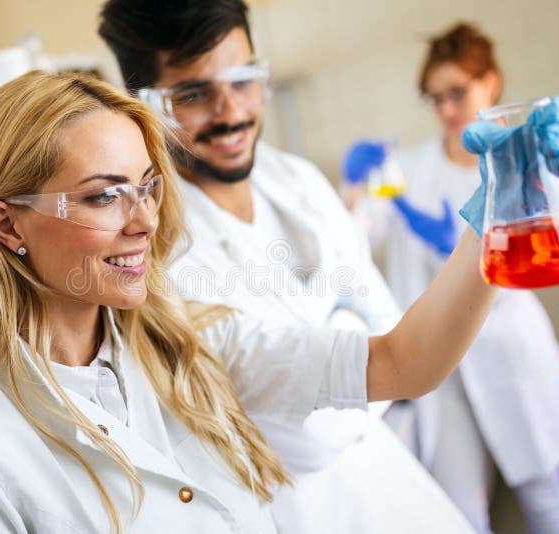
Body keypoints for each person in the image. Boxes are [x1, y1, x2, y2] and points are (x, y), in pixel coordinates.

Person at [0, 67, 559, 531]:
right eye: (103, 195)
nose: (143, 221)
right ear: (7, 224)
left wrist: (499, 212)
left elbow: (404, 361)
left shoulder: (182, 344)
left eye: (147, 186)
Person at [98, 2, 470, 532]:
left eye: (245, 80)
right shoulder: (147, 247)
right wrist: (351, 330)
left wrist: (352, 366)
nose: (232, 112)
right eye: (195, 93)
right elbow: (312, 438)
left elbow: (389, 332)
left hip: (385, 483)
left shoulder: (295, 179)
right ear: (143, 105)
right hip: (282, 510)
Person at [343, 23, 559, 534]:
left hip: (509, 350)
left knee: (544, 496)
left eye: (457, 92)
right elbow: (353, 240)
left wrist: (469, 246)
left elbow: (546, 254)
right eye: (434, 98)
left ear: (491, 82)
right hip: (441, 365)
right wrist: (351, 188)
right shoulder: (406, 167)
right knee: (458, 510)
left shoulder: (518, 164)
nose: (446, 109)